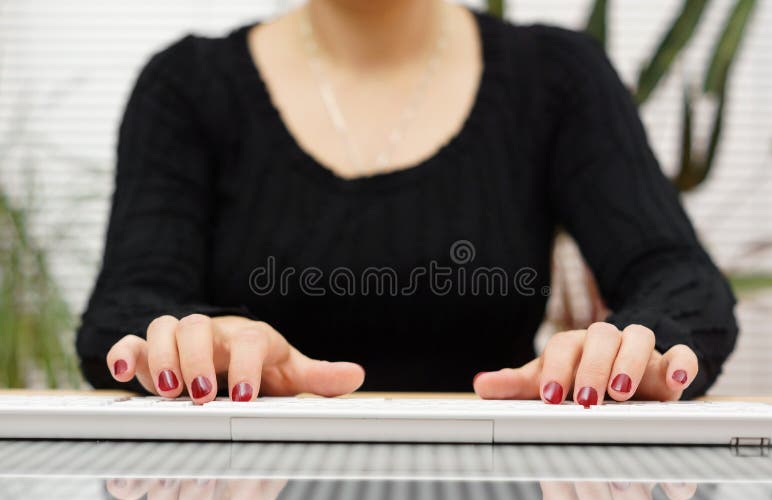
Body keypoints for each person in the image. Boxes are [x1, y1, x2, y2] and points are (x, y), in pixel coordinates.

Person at [76, 0, 738, 406]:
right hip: (232, 495)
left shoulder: (558, 77)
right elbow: (125, 310)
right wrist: (200, 342)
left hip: (493, 493)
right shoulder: (186, 87)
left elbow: (680, 279)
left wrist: (633, 347)